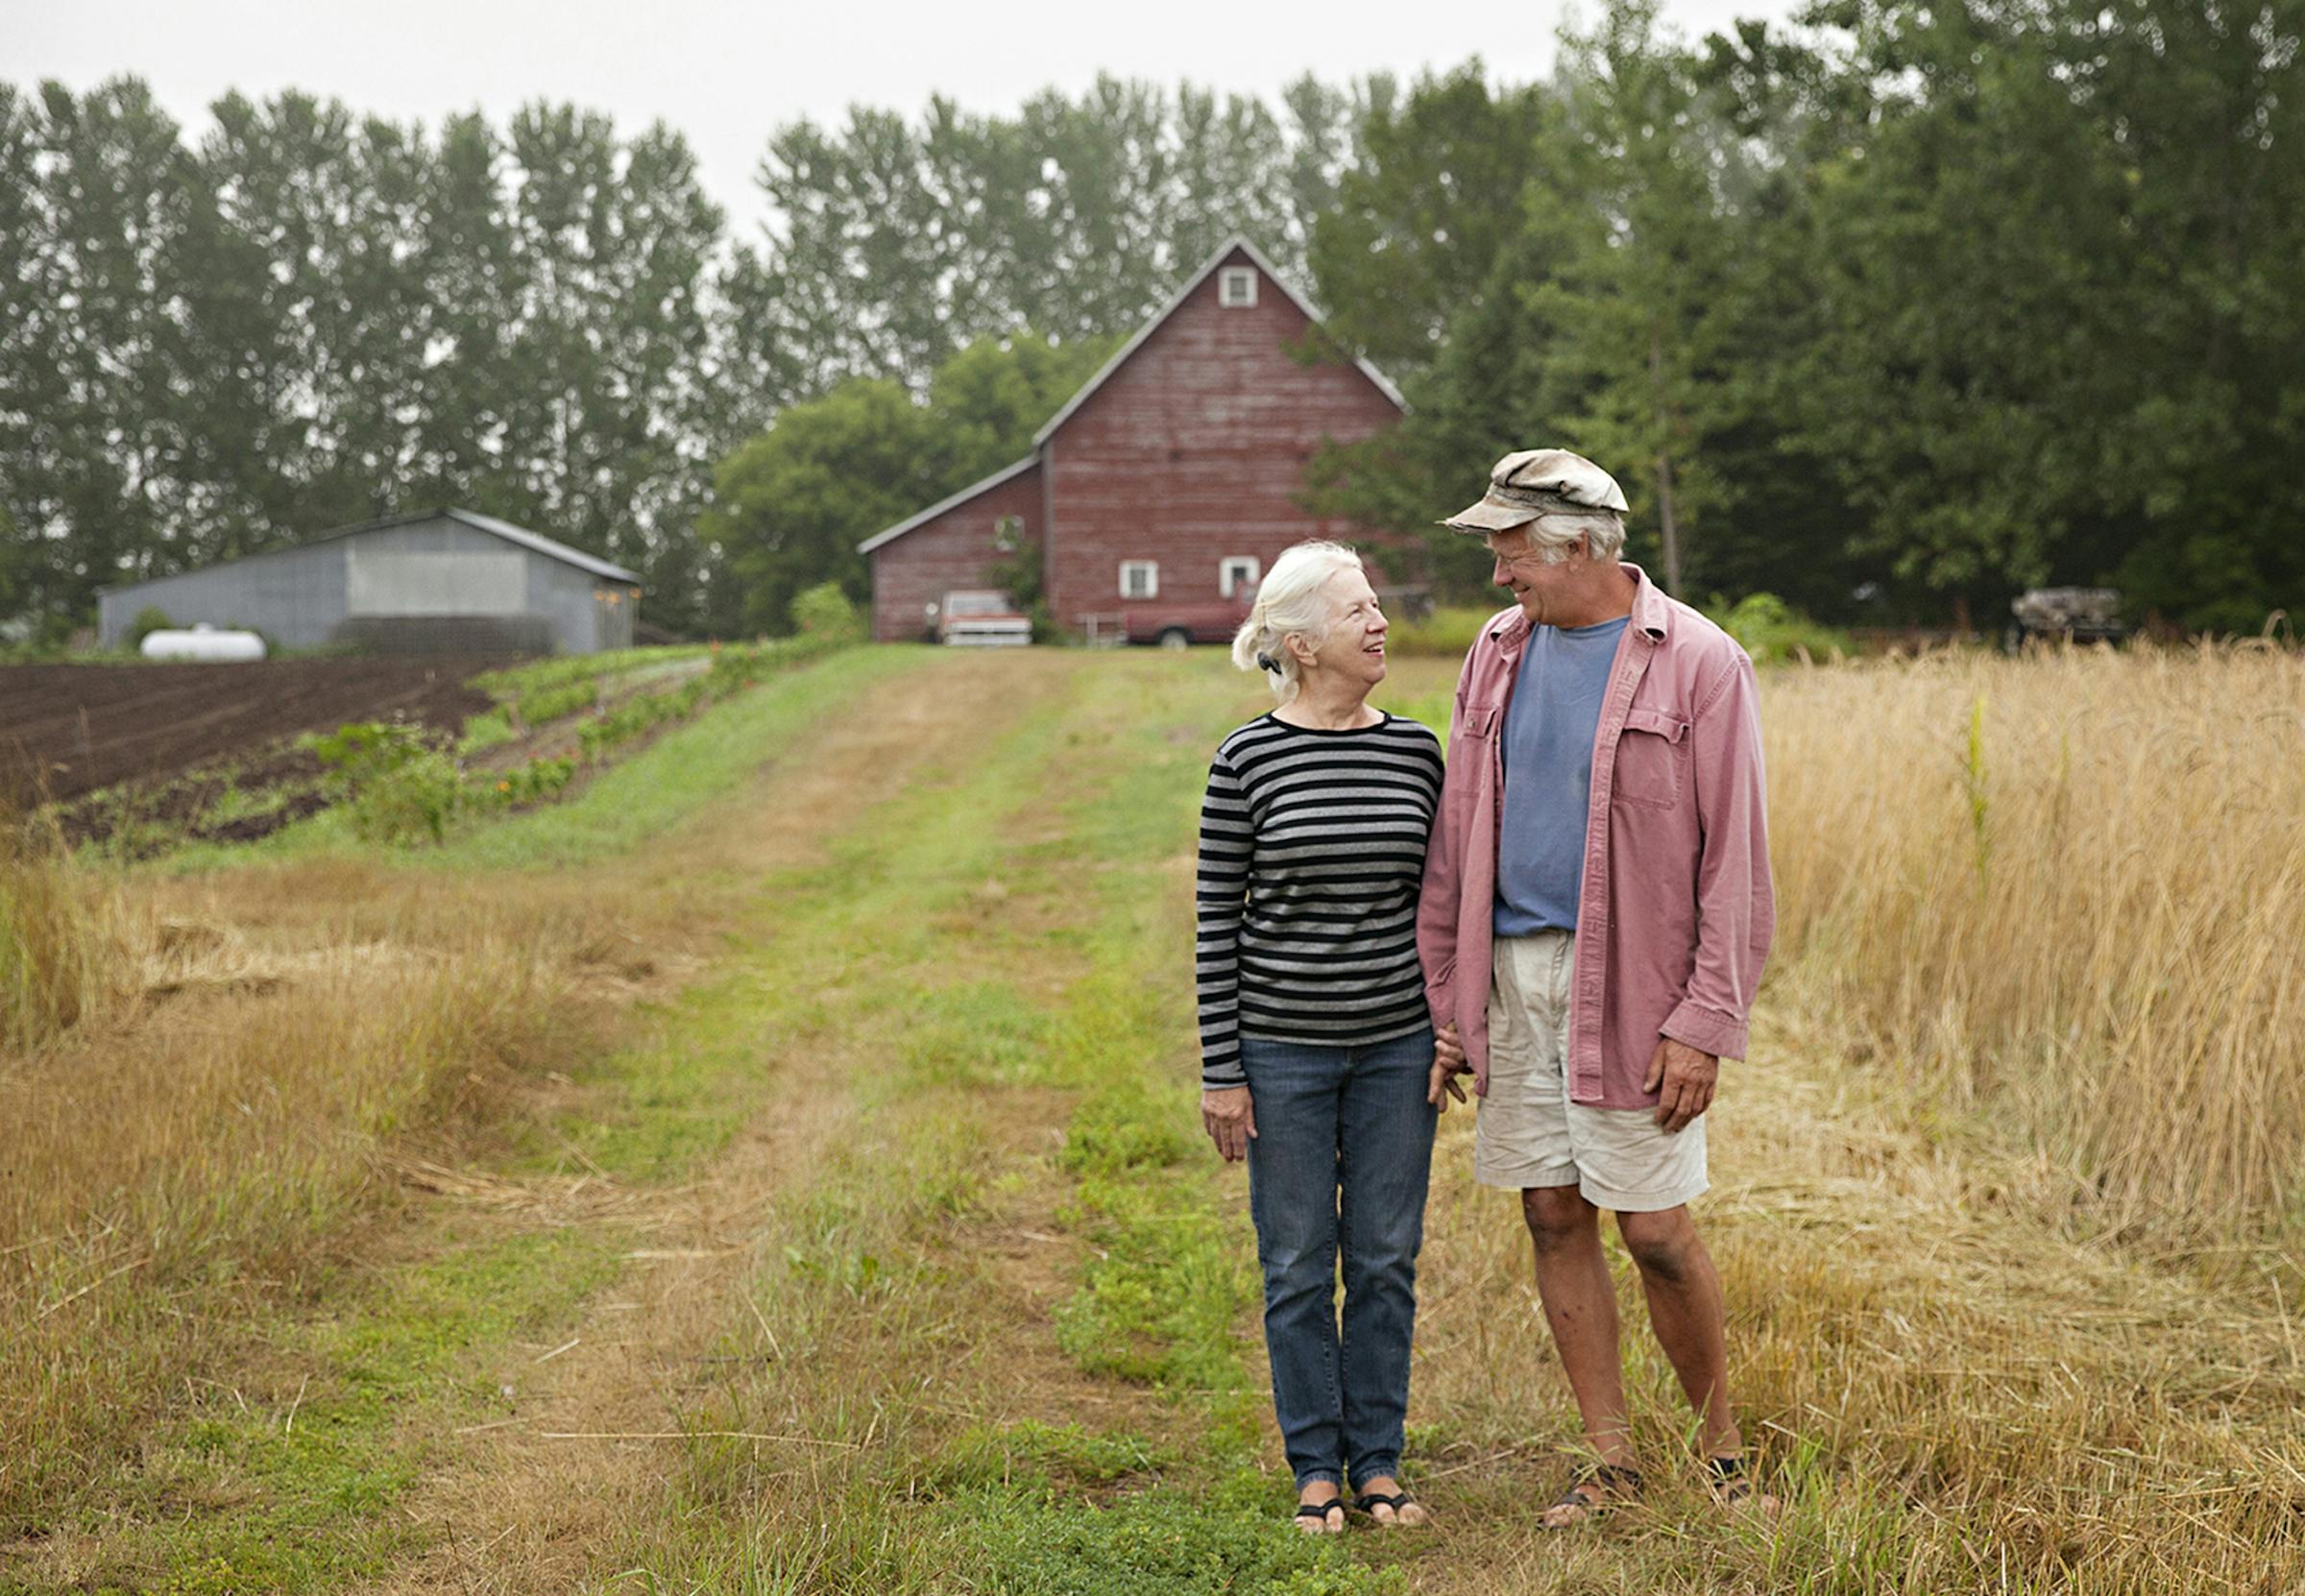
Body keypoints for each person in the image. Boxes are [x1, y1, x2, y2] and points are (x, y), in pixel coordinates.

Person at [1419, 448, 1776, 1527]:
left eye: (1510, 547)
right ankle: (1609, 1456)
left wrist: (1705, 1022)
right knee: (1550, 1209)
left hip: (1635, 986)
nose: (1497, 573)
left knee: (1656, 1228)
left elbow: (1737, 862)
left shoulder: (1700, 661)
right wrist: (1451, 1005)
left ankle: (1722, 1452)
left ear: (1580, 545)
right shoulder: (1494, 652)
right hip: (1514, 973)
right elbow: (1457, 834)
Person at [1195, 540, 1447, 1535]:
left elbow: (1441, 904)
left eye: (1377, 604)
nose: (1380, 621)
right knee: (1298, 1262)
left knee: (1384, 1258)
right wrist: (1225, 1070)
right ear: (1300, 644)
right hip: (1282, 1054)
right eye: (1357, 611)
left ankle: (1377, 1461)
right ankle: (1315, 1467)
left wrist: (1453, 1031)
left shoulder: (1416, 751)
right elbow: (1217, 922)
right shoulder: (1246, 759)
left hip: (1397, 1051)